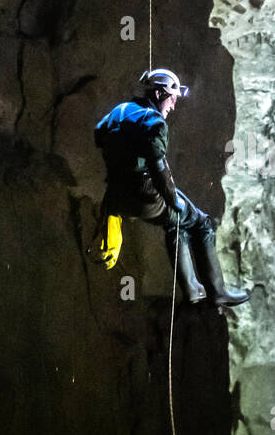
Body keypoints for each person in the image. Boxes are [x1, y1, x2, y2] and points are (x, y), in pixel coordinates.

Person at [94, 68, 249, 307]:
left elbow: (99, 134)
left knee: (177, 223)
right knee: (201, 222)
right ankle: (216, 292)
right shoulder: (154, 123)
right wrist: (171, 199)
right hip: (145, 195)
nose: (173, 106)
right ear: (158, 93)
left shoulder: (120, 111)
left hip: (117, 196)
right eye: (172, 98)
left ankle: (193, 289)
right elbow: (159, 171)